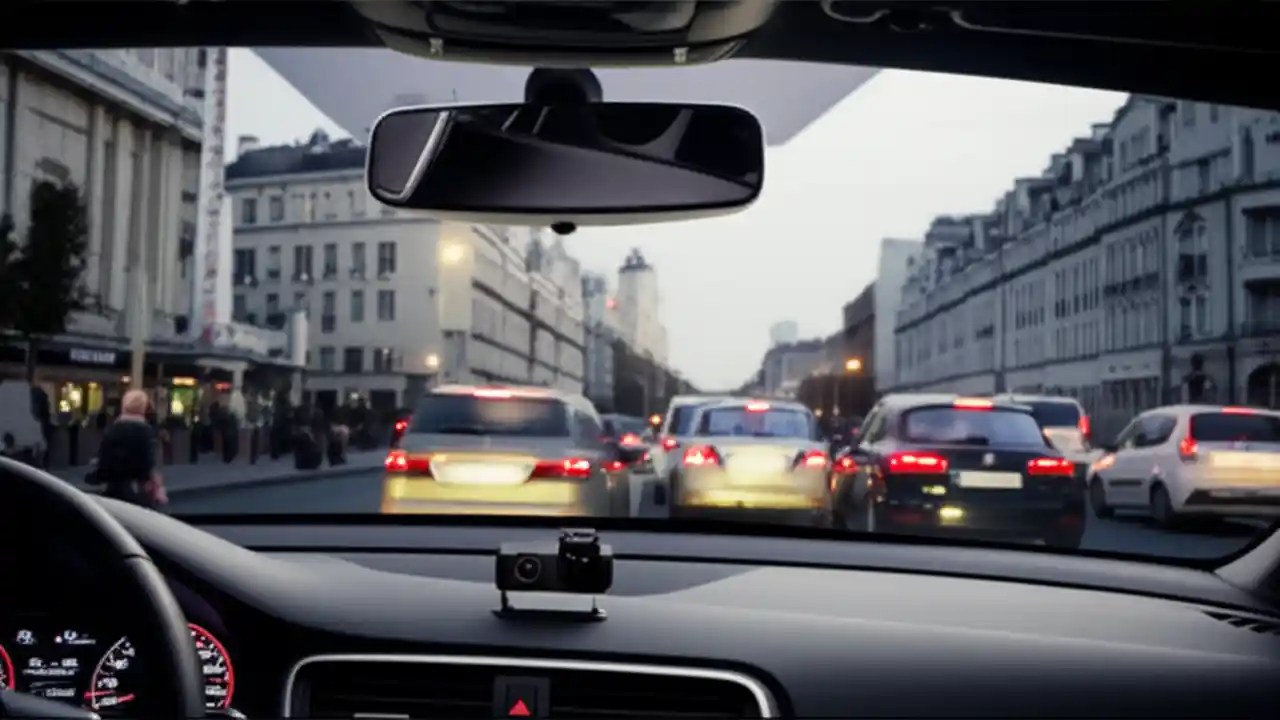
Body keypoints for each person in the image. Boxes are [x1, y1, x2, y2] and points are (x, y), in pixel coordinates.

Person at [90, 390, 168, 510]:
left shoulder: (112, 430)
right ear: (143, 408)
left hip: (113, 489)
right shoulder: (147, 432)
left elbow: (103, 461)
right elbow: (151, 463)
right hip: (137, 489)